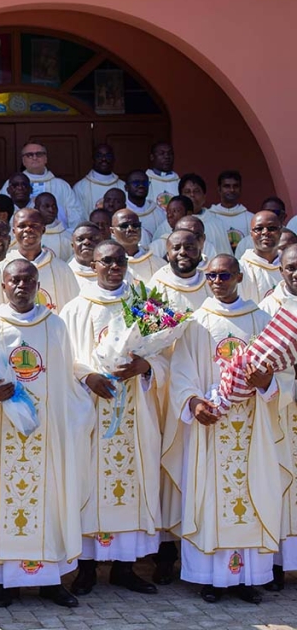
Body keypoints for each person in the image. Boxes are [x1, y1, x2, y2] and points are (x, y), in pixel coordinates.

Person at [0, 260, 91, 608]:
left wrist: (74, 419)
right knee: (4, 501)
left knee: (49, 502)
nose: (22, 286)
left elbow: (67, 382)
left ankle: (50, 581)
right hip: (2, 435)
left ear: (38, 285)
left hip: (48, 435)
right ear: (3, 286)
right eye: (15, 281)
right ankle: (6, 583)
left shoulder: (56, 326)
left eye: (28, 280)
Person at [164, 254, 284, 604]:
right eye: (212, 276)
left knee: (252, 494)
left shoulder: (260, 319)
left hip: (252, 427)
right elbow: (181, 372)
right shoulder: (197, 322)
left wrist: (266, 382)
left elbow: (281, 374)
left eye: (225, 275)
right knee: (209, 498)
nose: (217, 281)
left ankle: (248, 578)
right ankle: (210, 579)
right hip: (210, 426)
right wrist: (193, 403)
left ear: (239, 277)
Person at [62, 240, 163, 596]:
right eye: (106, 261)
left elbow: (164, 354)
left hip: (134, 410)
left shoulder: (143, 306)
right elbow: (64, 358)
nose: (114, 266)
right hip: (91, 408)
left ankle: (124, 568)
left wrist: (146, 366)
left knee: (132, 483)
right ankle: (87, 569)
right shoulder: (76, 309)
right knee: (89, 484)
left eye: (120, 260)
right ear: (93, 265)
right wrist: (88, 376)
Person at [259, 243, 297, 590]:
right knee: (282, 483)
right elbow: (263, 362)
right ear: (280, 270)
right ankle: (277, 565)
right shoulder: (268, 309)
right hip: (284, 409)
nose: (296, 273)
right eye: (291, 267)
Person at [0, 208, 79, 312]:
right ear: (14, 232)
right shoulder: (0, 270)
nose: (28, 229)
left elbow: (73, 310)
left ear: (43, 230)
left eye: (34, 225)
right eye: (22, 226)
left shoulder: (61, 269)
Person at [1, 142, 83, 227]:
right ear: (23, 161)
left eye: (39, 154)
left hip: (56, 232)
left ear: (46, 159)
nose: (35, 158)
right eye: (29, 155)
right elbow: (2, 211)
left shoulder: (61, 185)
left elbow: (75, 213)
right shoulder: (12, 184)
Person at [149, 230, 213, 311]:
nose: (183, 252)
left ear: (199, 253)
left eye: (189, 247)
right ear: (168, 255)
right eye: (176, 248)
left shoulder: (211, 283)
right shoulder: (156, 285)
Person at [111, 209, 166, 284]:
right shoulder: (106, 263)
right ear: (112, 231)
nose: (131, 229)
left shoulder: (158, 263)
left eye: (135, 225)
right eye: (124, 226)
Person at [237, 210, 281, 303]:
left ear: (280, 232)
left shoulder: (290, 265)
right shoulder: (241, 269)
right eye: (259, 229)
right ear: (251, 234)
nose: (265, 232)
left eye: (271, 228)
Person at [208, 170, 254, 253]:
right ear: (219, 189)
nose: (232, 190)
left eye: (235, 186)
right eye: (227, 186)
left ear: (240, 189)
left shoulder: (251, 218)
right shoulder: (209, 217)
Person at [73, 144, 121, 212]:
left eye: (108, 156)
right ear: (93, 159)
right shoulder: (80, 187)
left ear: (114, 159)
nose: (104, 159)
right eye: (99, 156)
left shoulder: (123, 186)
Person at [123, 169, 166, 244]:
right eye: (136, 183)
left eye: (145, 183)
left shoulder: (157, 211)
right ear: (126, 187)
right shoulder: (121, 212)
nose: (141, 186)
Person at [35, 192, 72, 261]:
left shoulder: (68, 238)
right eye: (46, 206)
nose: (51, 210)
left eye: (54, 206)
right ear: (36, 209)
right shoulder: (29, 236)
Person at [145, 142, 180, 210]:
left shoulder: (179, 181)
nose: (167, 157)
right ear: (152, 157)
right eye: (162, 153)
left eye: (170, 153)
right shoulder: (145, 180)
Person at [68, 222, 102, 287]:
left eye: (93, 238)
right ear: (72, 246)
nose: (86, 242)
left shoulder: (114, 270)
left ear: (102, 242)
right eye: (80, 239)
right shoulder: (65, 272)